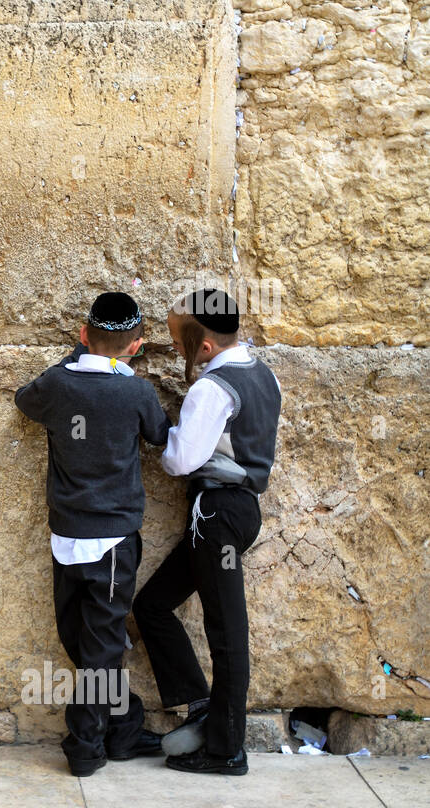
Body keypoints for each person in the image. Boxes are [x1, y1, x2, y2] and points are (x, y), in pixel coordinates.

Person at [15, 292, 172, 776]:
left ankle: (123, 729)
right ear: (137, 346)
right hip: (112, 540)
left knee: (85, 641)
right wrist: (121, 368)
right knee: (100, 645)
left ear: (83, 336)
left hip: (66, 535)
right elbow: (162, 436)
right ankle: (86, 747)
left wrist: (77, 355)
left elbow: (25, 399)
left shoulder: (57, 385)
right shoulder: (137, 393)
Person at [133, 288, 282, 776]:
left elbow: (180, 460)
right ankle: (201, 707)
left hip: (215, 515)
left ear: (205, 347)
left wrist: (158, 427)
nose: (176, 350)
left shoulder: (211, 389)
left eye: (179, 343)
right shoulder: (264, 374)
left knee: (227, 633)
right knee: (152, 605)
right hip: (241, 511)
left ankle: (226, 751)